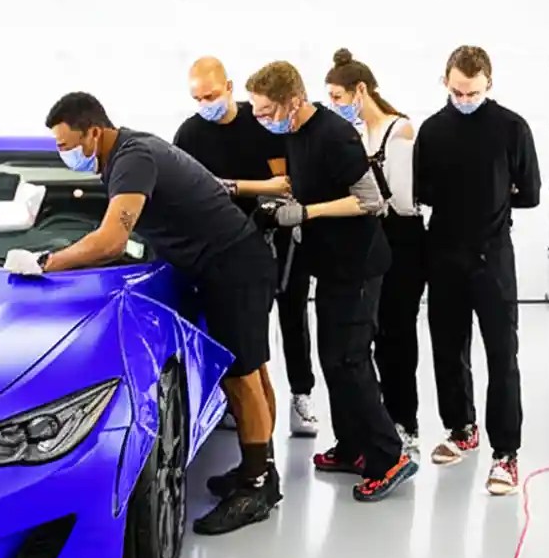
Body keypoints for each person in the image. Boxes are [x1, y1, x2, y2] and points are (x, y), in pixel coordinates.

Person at [6, 91, 280, 535]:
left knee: (241, 374)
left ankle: (256, 486)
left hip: (231, 266)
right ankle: (260, 468)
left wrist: (45, 262)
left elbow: (112, 240)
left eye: (65, 144)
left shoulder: (132, 158)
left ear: (93, 131)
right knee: (252, 369)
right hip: (234, 259)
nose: (64, 154)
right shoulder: (128, 154)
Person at [245, 60, 418, 502]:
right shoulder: (296, 134)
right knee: (331, 359)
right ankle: (352, 446)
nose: (260, 120)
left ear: (294, 101)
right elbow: (302, 182)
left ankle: (388, 456)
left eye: (266, 112)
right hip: (332, 266)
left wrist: (307, 213)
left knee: (351, 360)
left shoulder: (333, 135)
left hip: (358, 265)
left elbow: (370, 201)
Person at [413, 45, 541, 496]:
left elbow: (530, 194)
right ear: (445, 83)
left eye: (472, 91)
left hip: (492, 256)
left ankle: (506, 454)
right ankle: (461, 428)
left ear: (489, 84)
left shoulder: (511, 127)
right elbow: (422, 189)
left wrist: (492, 197)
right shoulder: (431, 129)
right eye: (456, 91)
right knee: (448, 348)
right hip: (444, 252)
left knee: (502, 355)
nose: (464, 98)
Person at [172, 56, 320, 439]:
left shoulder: (262, 125)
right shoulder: (189, 134)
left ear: (230, 88)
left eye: (212, 95)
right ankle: (233, 400)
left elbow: (284, 183)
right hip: (221, 246)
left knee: (291, 317)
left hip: (273, 234)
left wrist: (230, 186)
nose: (206, 104)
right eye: (198, 98)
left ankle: (302, 394)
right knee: (236, 328)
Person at [324, 48, 425, 453]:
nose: (333, 105)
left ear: (359, 91)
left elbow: (400, 200)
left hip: (401, 241)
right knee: (366, 337)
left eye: (337, 97)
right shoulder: (352, 134)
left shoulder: (398, 130)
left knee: (395, 335)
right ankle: (374, 424)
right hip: (367, 241)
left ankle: (405, 422)